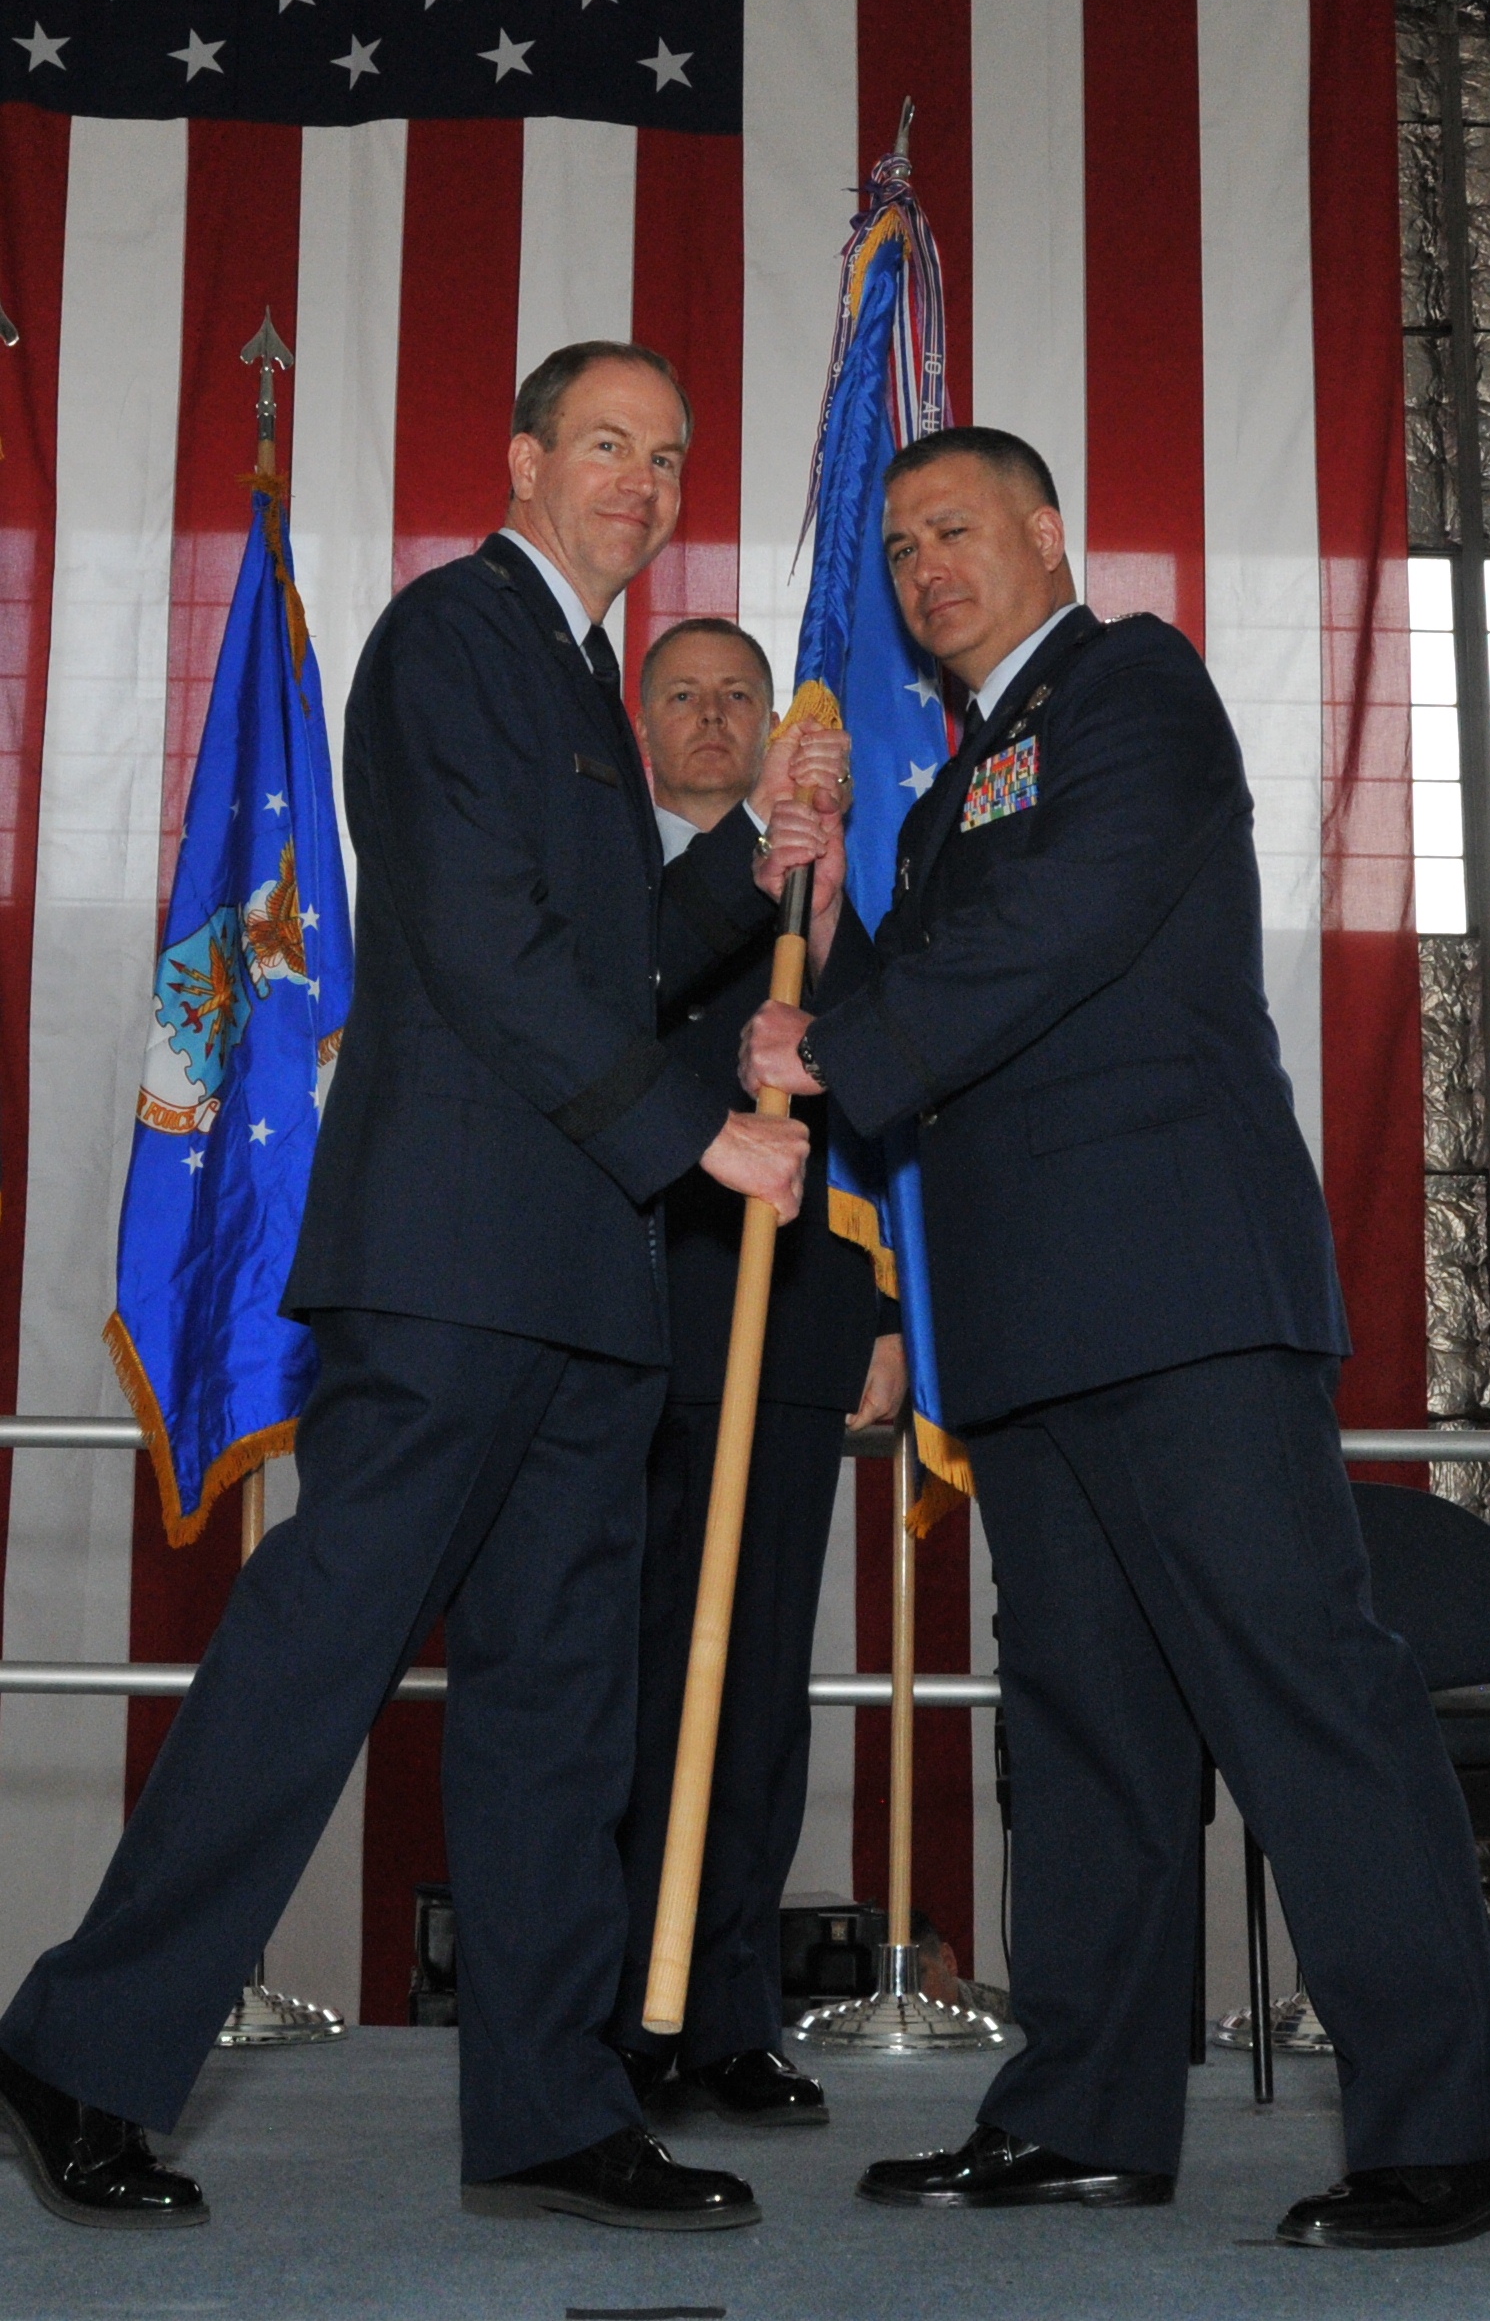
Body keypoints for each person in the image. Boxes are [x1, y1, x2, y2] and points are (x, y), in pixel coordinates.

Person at [0, 341, 838, 2236]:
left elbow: (601, 959)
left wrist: (747, 868)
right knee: (317, 1657)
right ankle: (78, 2041)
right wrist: (693, 1141)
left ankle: (545, 2106)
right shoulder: (454, 634)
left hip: (580, 1285)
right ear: (527, 453)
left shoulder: (581, 683)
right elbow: (472, 936)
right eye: (608, 442)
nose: (642, 478)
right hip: (455, 1263)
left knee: (557, 1712)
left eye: (671, 455)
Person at [741, 423, 1490, 2252]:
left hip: (1181, 1292)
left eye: (955, 528)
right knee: (1085, 1730)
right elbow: (918, 1035)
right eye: (897, 548)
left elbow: (1063, 930)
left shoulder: (1136, 694)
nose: (924, 568)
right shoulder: (949, 796)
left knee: (1302, 1689)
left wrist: (848, 1048)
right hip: (1031, 1320)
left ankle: (1463, 2124)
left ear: (1049, 530)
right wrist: (819, 926)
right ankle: (1088, 2111)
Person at [607, 618, 906, 2127]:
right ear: (640, 719)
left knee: (762, 1689)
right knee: (620, 1677)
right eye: (688, 695)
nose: (718, 718)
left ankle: (728, 2011)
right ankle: (609, 2008)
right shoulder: (610, 871)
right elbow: (585, 1039)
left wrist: (884, 1313)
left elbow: (886, 1103)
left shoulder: (834, 884)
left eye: (743, 696)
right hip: (628, 1320)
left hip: (788, 1323)